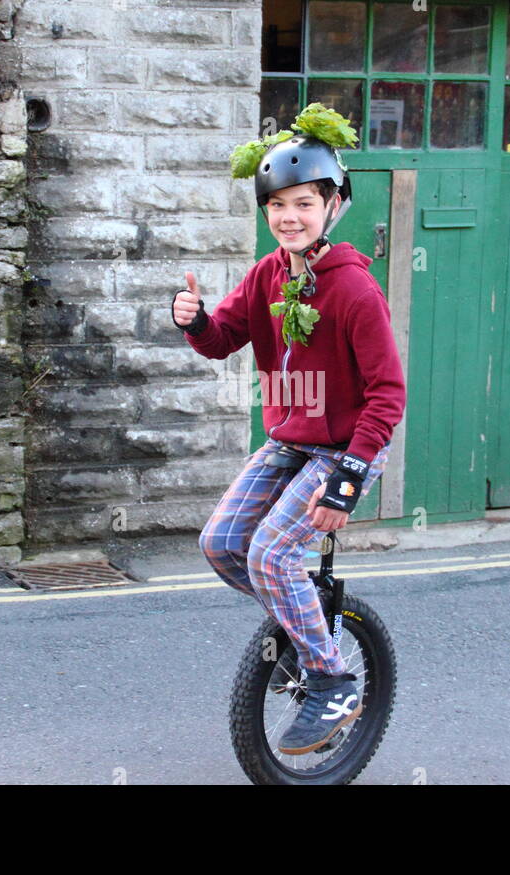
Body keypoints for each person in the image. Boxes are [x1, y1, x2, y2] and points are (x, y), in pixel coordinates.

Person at [171, 131, 407, 755]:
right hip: (293, 440)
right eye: (278, 205)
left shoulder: (354, 288)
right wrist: (194, 319)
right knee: (223, 545)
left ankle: (333, 679)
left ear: (333, 206)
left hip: (346, 447)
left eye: (304, 203)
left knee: (271, 555)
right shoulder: (267, 274)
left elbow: (387, 394)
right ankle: (307, 636)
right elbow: (224, 337)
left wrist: (348, 481)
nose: (289, 216)